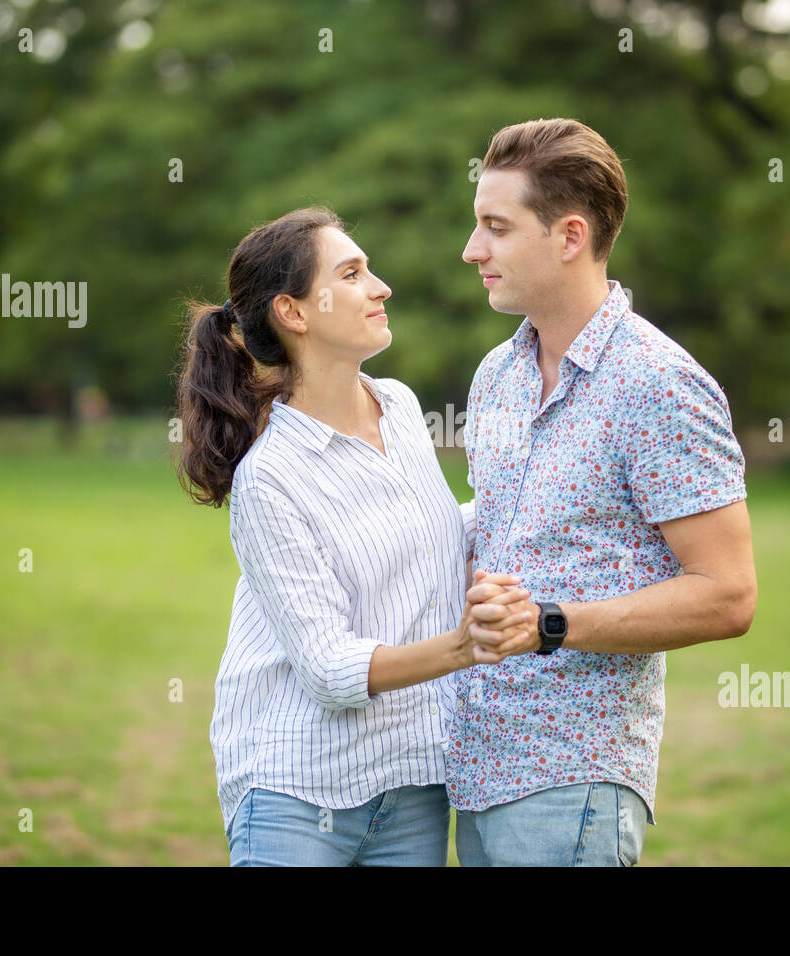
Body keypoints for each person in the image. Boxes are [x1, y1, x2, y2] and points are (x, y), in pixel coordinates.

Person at [175, 206, 538, 866]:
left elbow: (432, 538)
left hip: (416, 780)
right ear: (294, 312)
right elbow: (328, 668)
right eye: (352, 272)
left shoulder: (397, 406)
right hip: (297, 791)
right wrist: (462, 648)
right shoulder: (272, 477)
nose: (381, 287)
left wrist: (535, 495)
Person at [448, 118, 759, 866]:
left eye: (495, 227)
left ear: (569, 235)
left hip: (573, 783)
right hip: (470, 769)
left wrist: (550, 624)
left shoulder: (659, 383)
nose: (472, 251)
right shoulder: (498, 374)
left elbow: (728, 594)